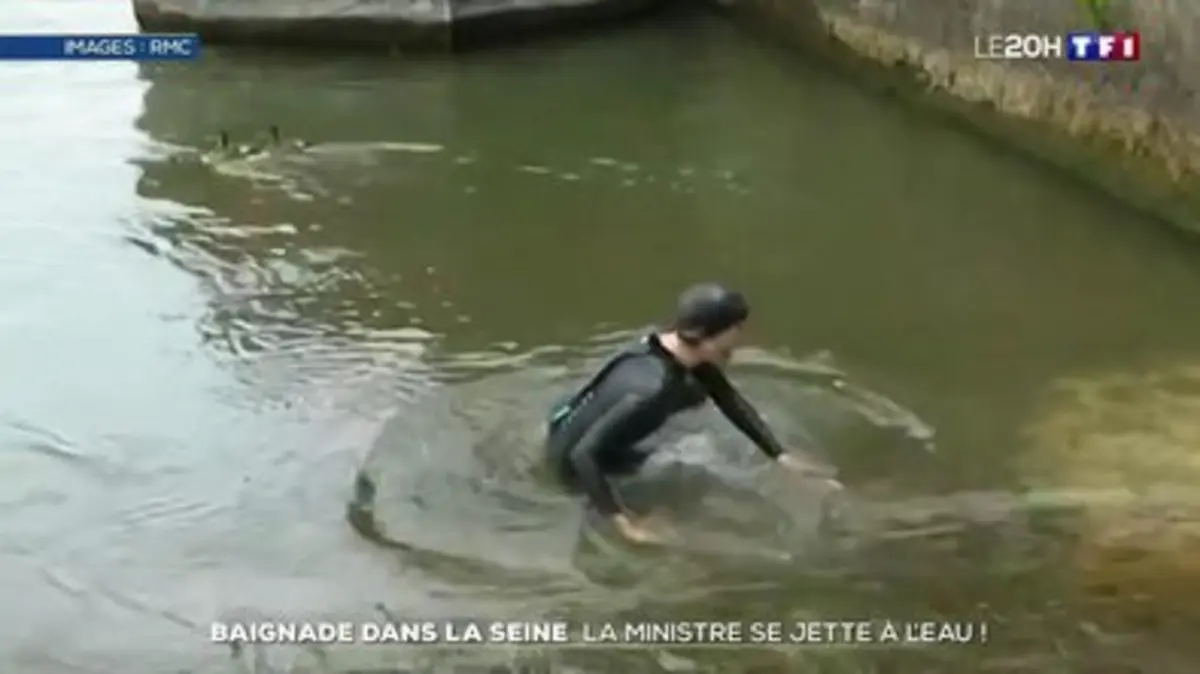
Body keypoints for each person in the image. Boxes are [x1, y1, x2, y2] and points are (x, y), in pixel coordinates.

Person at [545, 282, 840, 544]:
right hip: (576, 466)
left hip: (568, 424)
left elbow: (726, 397)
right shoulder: (650, 389)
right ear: (708, 336)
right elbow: (583, 455)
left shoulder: (669, 347)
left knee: (695, 394)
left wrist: (780, 456)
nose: (741, 338)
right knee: (695, 462)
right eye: (736, 330)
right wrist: (625, 524)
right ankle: (617, 509)